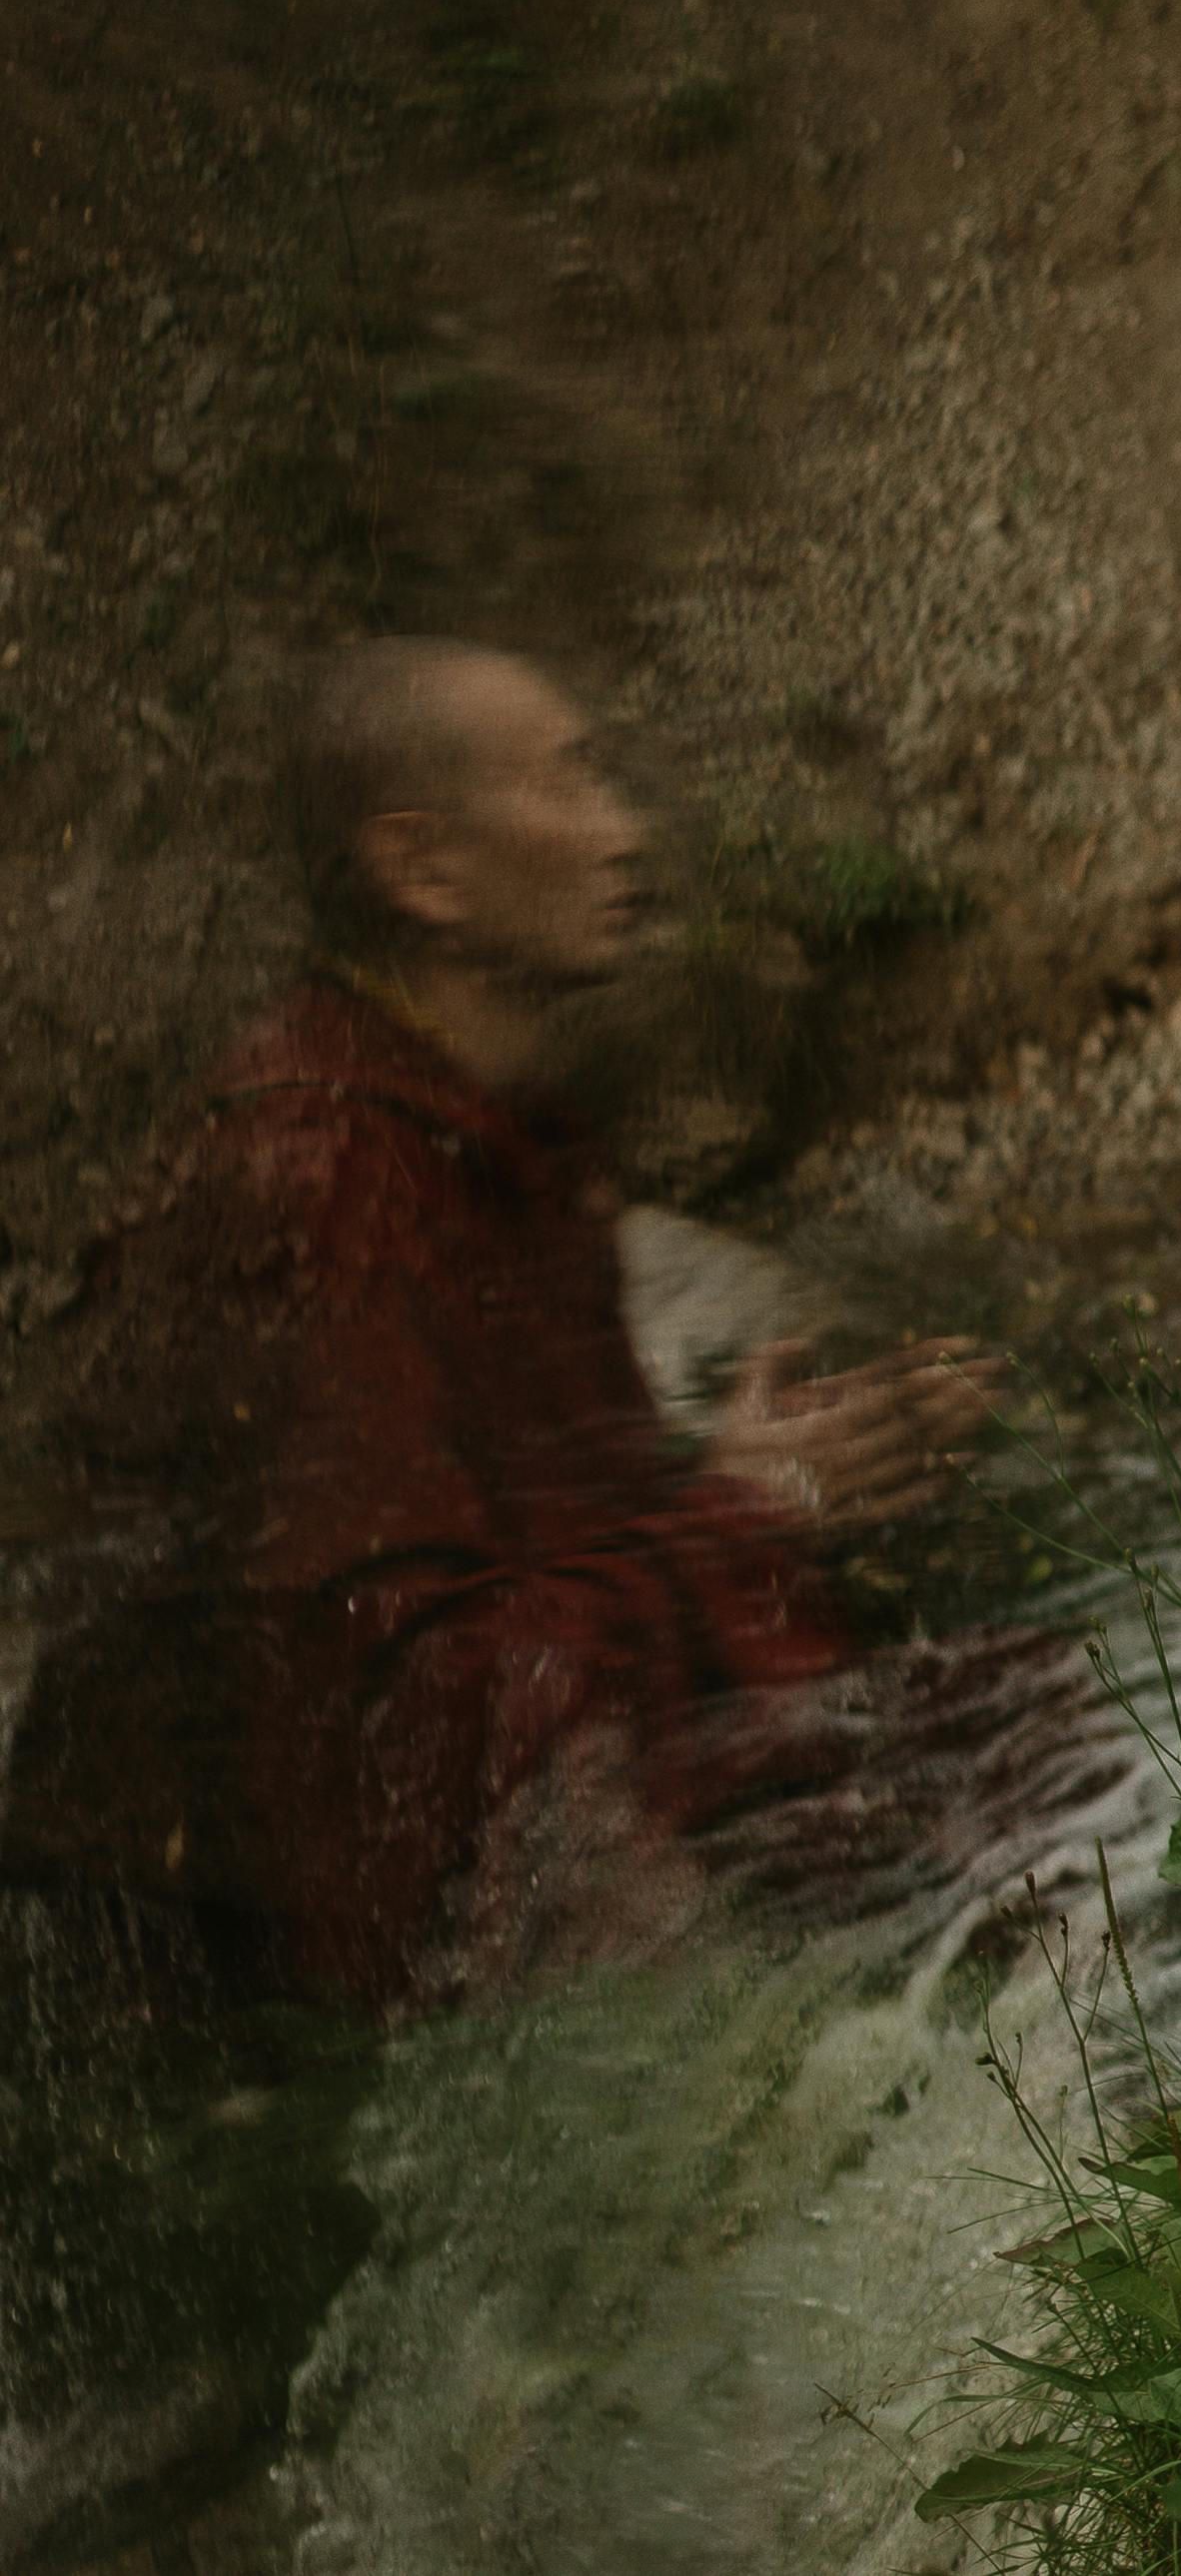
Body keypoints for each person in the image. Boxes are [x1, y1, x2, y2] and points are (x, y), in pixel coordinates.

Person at [1, 638, 1003, 2014]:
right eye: (574, 785)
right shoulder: (319, 1184)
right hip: (230, 1996)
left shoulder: (507, 1142)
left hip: (459, 1916)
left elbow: (541, 1568)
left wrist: (734, 1476)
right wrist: (741, 1508)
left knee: (995, 1744)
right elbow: (409, 1729)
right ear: (424, 871)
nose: (627, 835)